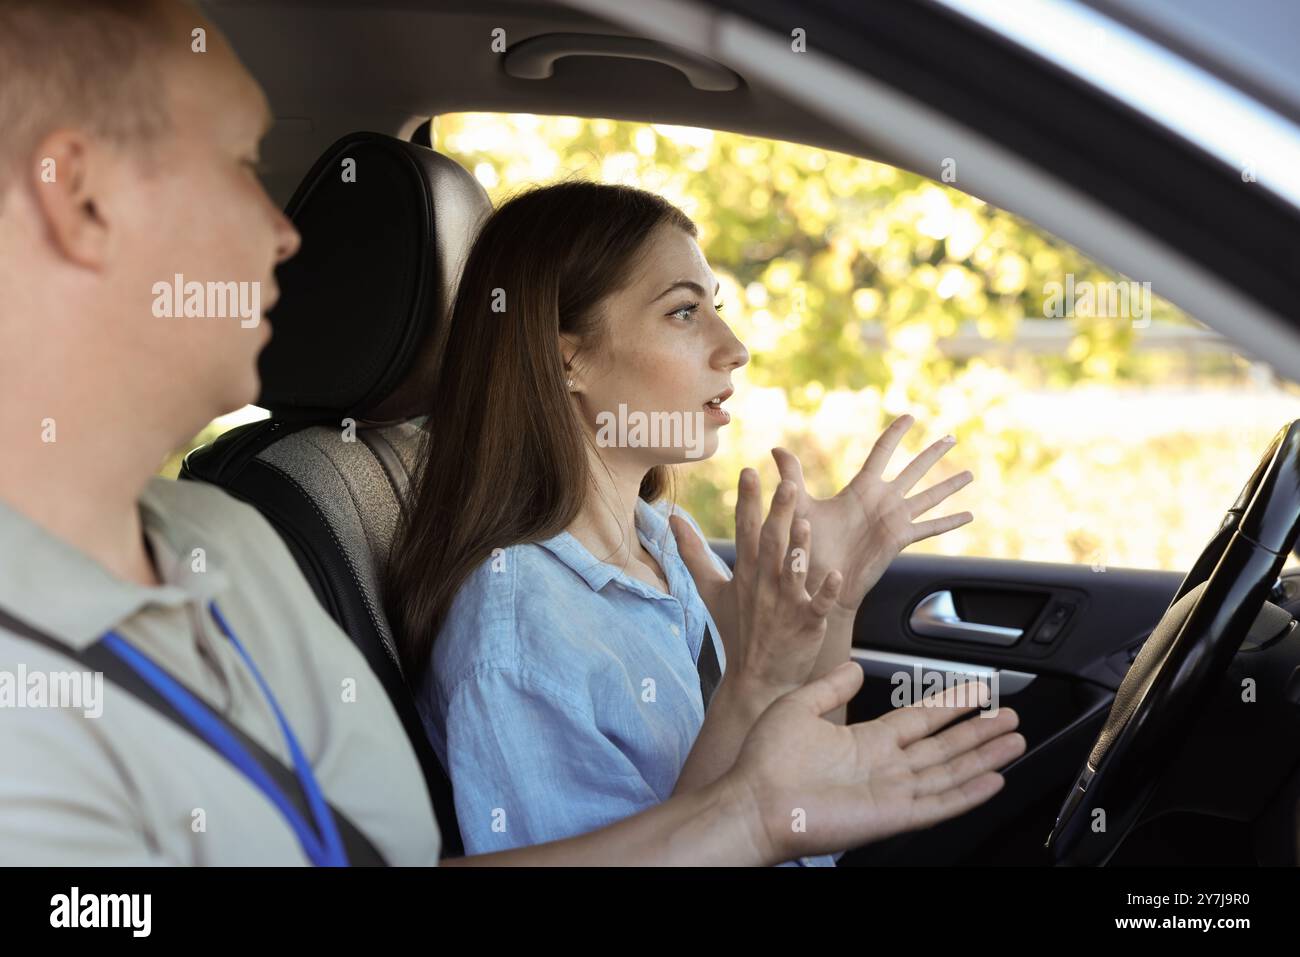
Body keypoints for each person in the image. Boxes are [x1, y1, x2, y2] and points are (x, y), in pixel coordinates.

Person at [0, 0, 1024, 866]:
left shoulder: (223, 546)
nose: (284, 231)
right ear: (79, 195)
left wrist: (796, 654)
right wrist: (750, 777)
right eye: (241, 162)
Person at [389, 178, 990, 864]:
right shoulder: (518, 632)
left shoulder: (665, 542)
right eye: (683, 312)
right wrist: (754, 680)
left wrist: (833, 601)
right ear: (568, 358)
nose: (733, 347)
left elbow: (797, 796)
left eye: (718, 310)